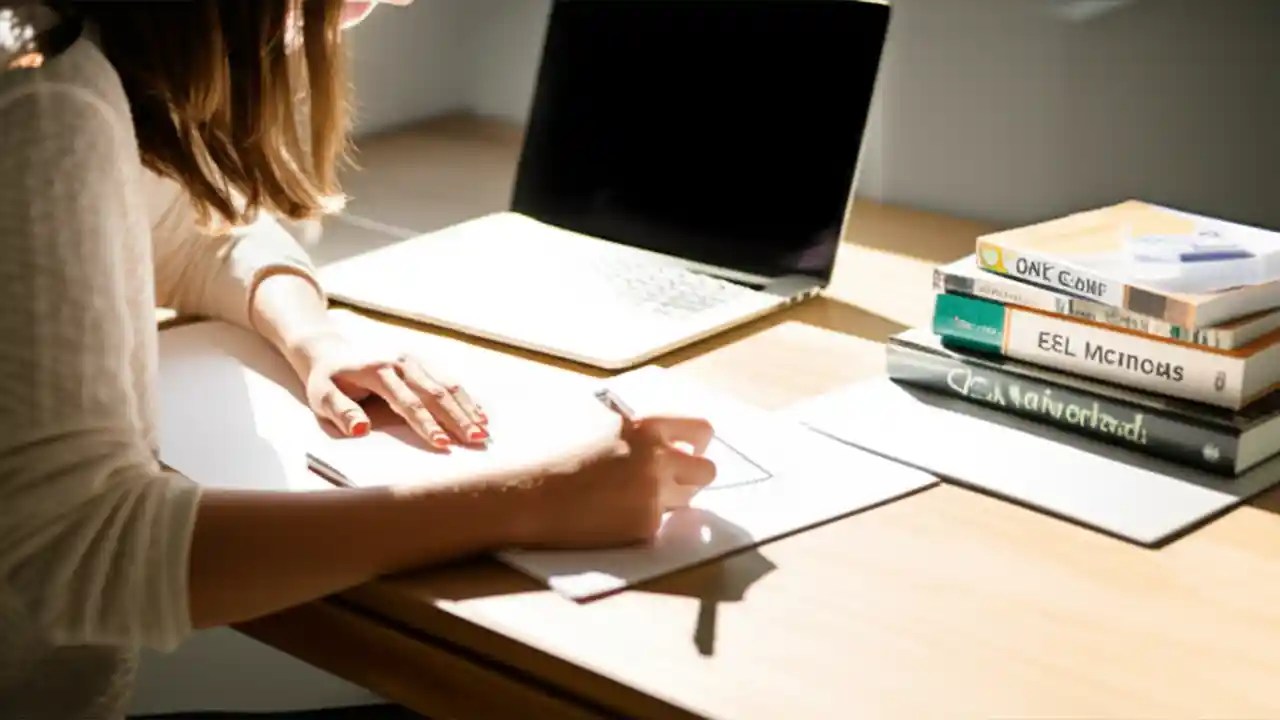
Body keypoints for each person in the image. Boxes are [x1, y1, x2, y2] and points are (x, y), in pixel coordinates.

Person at [0, 1, 718, 717]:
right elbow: (84, 556)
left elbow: (195, 233)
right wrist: (537, 499)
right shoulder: (43, 93)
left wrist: (314, 335)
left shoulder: (68, 49)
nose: (391, 2)